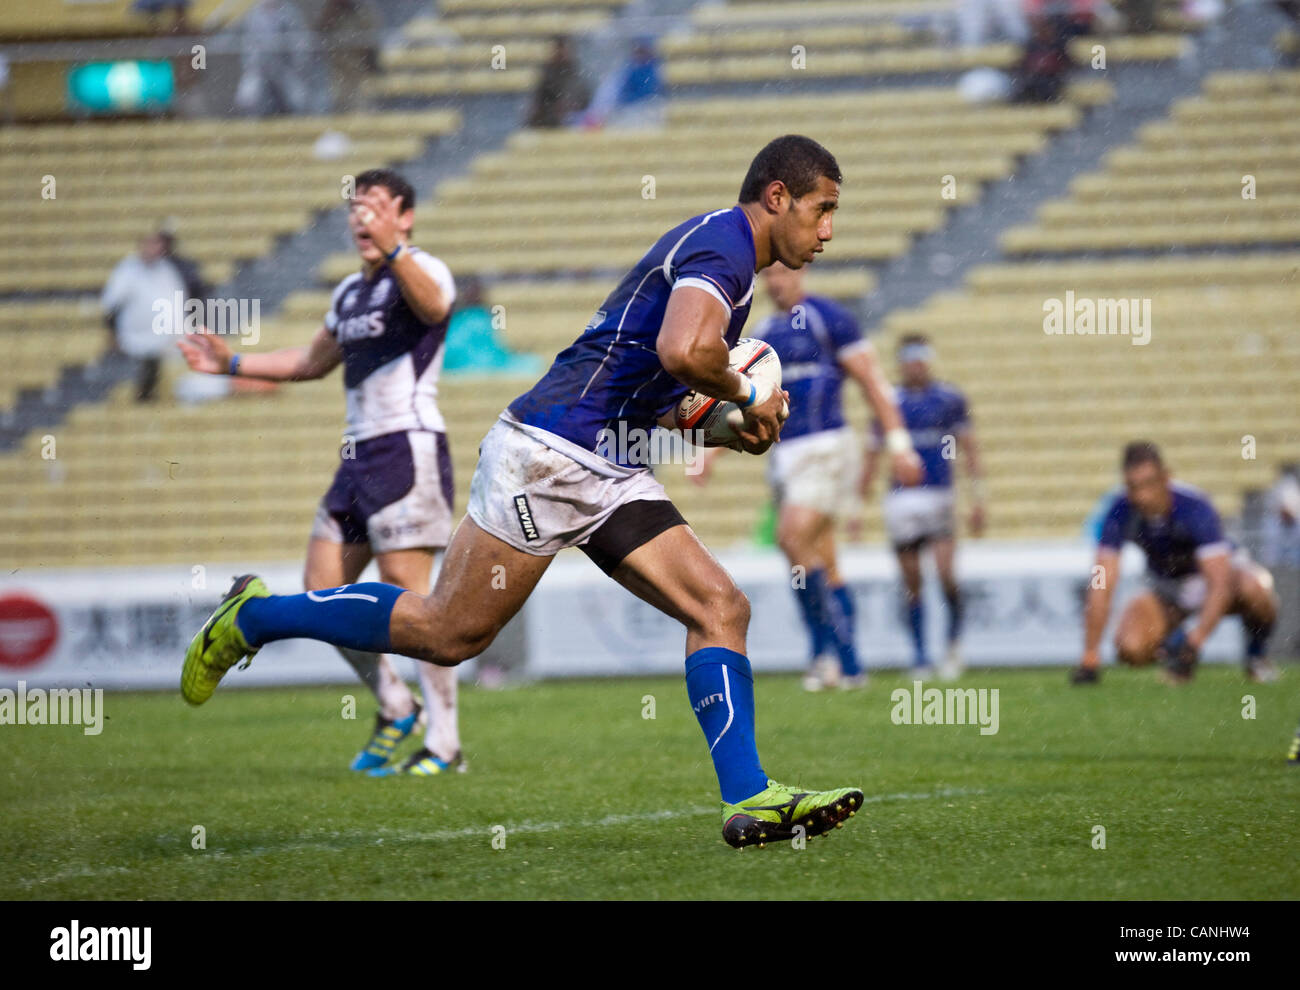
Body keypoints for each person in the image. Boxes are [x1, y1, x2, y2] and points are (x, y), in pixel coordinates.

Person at [182, 135, 866, 849]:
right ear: (777, 197)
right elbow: (683, 355)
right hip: (551, 452)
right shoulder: (721, 243)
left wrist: (728, 427)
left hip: (604, 460)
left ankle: (751, 797)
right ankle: (254, 619)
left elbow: (656, 395)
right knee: (448, 633)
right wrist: (745, 391)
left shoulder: (731, 266)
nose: (827, 232)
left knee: (720, 606)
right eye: (822, 210)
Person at [179, 168, 467, 776]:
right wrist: (231, 361)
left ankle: (446, 745)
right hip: (356, 457)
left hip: (406, 449)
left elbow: (437, 305)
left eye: (377, 206)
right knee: (320, 594)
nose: (361, 216)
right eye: (355, 207)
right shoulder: (347, 294)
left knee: (414, 607)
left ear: (405, 216)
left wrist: (392, 247)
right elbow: (311, 362)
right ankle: (395, 705)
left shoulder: (423, 269)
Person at [690, 263, 921, 692]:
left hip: (826, 447)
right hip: (785, 457)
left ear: (800, 273)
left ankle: (825, 654)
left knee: (790, 537)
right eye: (769, 276)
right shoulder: (763, 335)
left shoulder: (829, 318)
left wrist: (900, 443)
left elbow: (871, 380)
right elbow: (747, 404)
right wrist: (713, 453)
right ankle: (849, 667)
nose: (776, 282)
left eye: (783, 274)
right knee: (821, 559)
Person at [1071, 441, 1279, 685]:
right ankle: (1173, 649)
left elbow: (1219, 581)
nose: (1142, 496)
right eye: (1133, 487)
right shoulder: (1119, 510)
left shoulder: (1194, 506)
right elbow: (1101, 579)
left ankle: (1256, 655)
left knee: (1256, 588)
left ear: (1166, 477)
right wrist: (1090, 655)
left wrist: (1196, 642)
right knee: (1131, 647)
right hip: (1168, 588)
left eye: (1148, 484)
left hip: (1216, 580)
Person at [860, 335, 984, 681]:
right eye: (909, 357)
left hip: (940, 495)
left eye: (921, 356)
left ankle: (953, 645)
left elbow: (969, 450)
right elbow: (872, 453)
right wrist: (857, 504)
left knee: (946, 575)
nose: (916, 364)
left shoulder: (949, 399)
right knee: (912, 580)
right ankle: (919, 656)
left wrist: (977, 498)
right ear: (900, 362)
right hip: (902, 499)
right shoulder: (889, 402)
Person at [101, 231, 186, 403]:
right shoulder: (127, 271)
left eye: (156, 245)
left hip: (161, 337)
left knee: (159, 372)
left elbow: (177, 301)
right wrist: (112, 333)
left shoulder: (166, 271)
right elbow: (112, 304)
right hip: (133, 337)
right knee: (140, 374)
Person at [526, 36, 590, 129]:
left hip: (572, 127)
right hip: (549, 127)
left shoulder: (577, 77)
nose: (561, 54)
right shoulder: (546, 78)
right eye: (558, 50)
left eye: (563, 50)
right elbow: (535, 110)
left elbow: (584, 104)